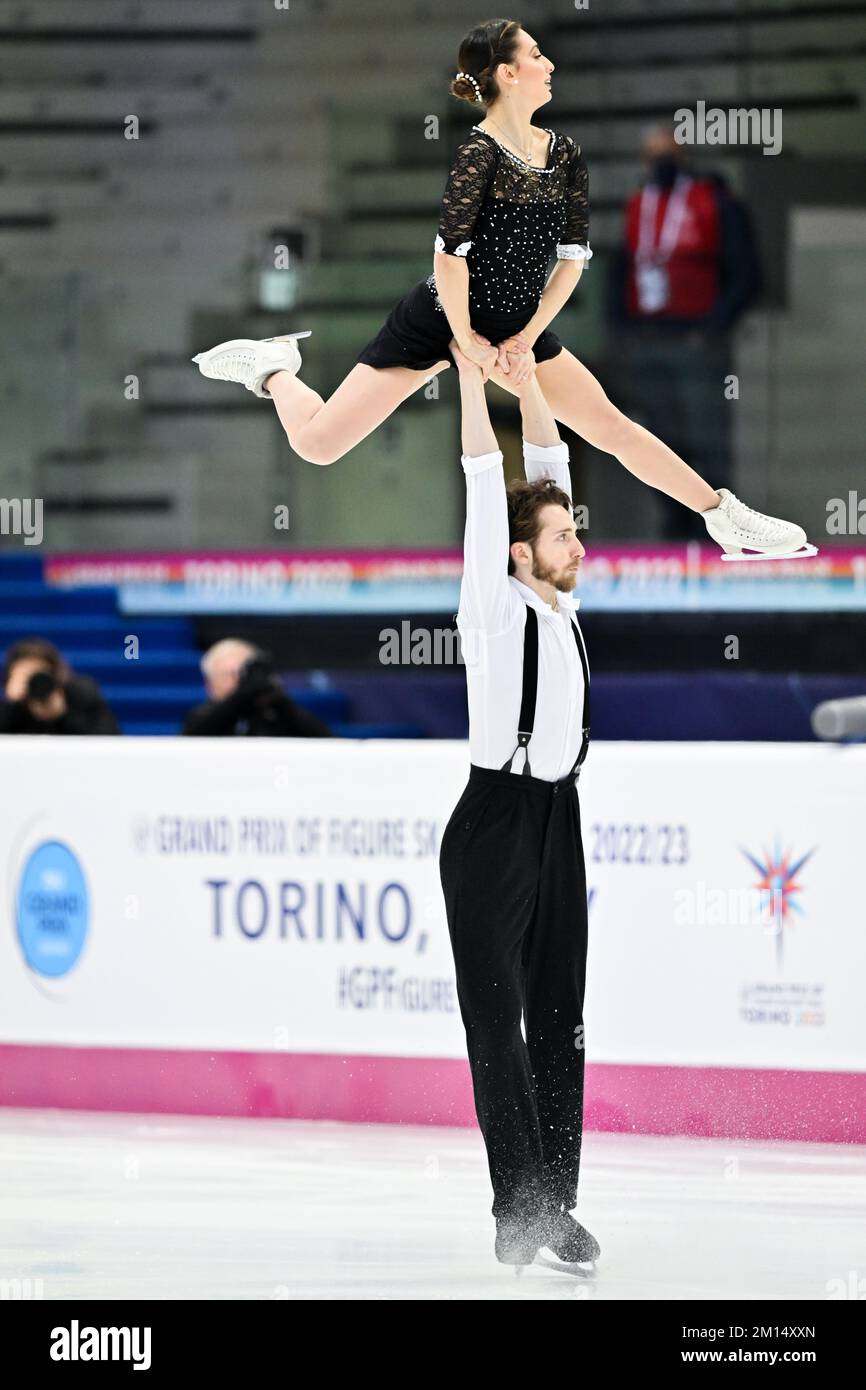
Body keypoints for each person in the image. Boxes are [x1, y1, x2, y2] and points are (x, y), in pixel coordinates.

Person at [191, 18, 812, 560]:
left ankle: (724, 517)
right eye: (536, 54)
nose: (549, 63)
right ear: (507, 74)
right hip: (442, 318)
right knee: (320, 445)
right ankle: (276, 370)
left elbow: (571, 261)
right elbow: (449, 260)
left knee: (612, 428)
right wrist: (467, 341)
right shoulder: (477, 154)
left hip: (518, 324)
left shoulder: (564, 153)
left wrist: (525, 337)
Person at [439, 332, 598, 1271]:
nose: (577, 539)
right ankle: (518, 1207)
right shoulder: (492, 605)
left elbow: (550, 462)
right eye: (562, 534)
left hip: (559, 822)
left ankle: (556, 1204)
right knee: (497, 1023)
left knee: (562, 1016)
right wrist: (469, 378)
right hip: (493, 828)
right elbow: (482, 478)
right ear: (518, 554)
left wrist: (530, 376)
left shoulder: (562, 605)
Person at [608, 121, 761, 539]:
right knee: (658, 438)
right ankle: (675, 528)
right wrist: (623, 328)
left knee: (707, 436)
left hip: (696, 340)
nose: (660, 163)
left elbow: (746, 272)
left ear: (685, 155)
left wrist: (712, 329)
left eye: (668, 154)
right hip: (649, 339)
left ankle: (718, 527)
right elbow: (621, 268)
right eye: (653, 155)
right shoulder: (640, 204)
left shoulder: (713, 201)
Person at [182, 638, 333, 737]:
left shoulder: (278, 715)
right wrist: (242, 696)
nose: (240, 682)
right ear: (210, 685)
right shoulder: (202, 716)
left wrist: (277, 698)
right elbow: (192, 737)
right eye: (231, 675)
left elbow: (326, 742)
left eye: (245, 674)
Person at [0, 638, 119, 735]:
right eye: (25, 676)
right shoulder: (12, 708)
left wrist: (63, 716)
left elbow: (110, 742)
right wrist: (10, 706)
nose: (34, 683)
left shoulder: (81, 695)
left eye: (39, 675)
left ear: (56, 675)